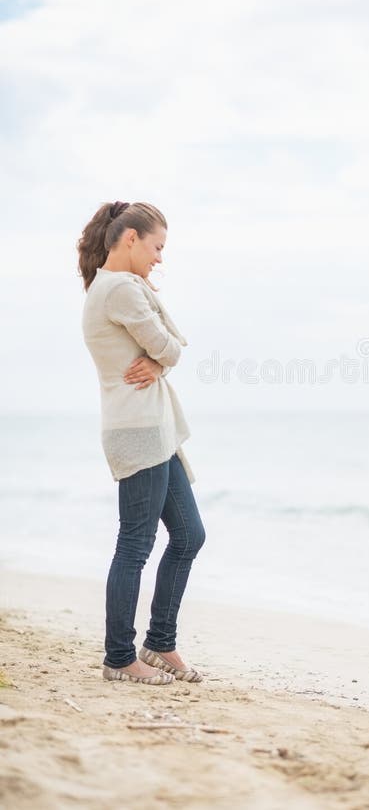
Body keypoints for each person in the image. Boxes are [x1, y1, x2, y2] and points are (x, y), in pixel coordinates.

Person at [77, 201, 206, 685]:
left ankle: (159, 642)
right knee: (135, 544)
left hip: (155, 429)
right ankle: (118, 657)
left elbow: (168, 350)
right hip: (138, 429)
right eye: (157, 247)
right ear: (129, 238)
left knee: (190, 535)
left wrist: (160, 360)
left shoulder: (119, 288)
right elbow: (172, 345)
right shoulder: (121, 290)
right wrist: (162, 358)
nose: (159, 259)